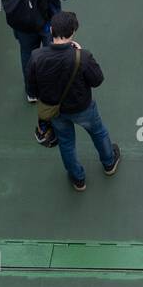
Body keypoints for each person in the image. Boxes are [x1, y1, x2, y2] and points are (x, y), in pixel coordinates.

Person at [26, 11, 120, 190]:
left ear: (51, 30)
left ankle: (78, 179)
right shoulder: (82, 56)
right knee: (98, 132)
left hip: (56, 111)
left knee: (66, 143)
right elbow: (97, 80)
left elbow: (31, 88)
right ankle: (109, 162)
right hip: (82, 107)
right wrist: (79, 52)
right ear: (73, 33)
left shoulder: (36, 57)